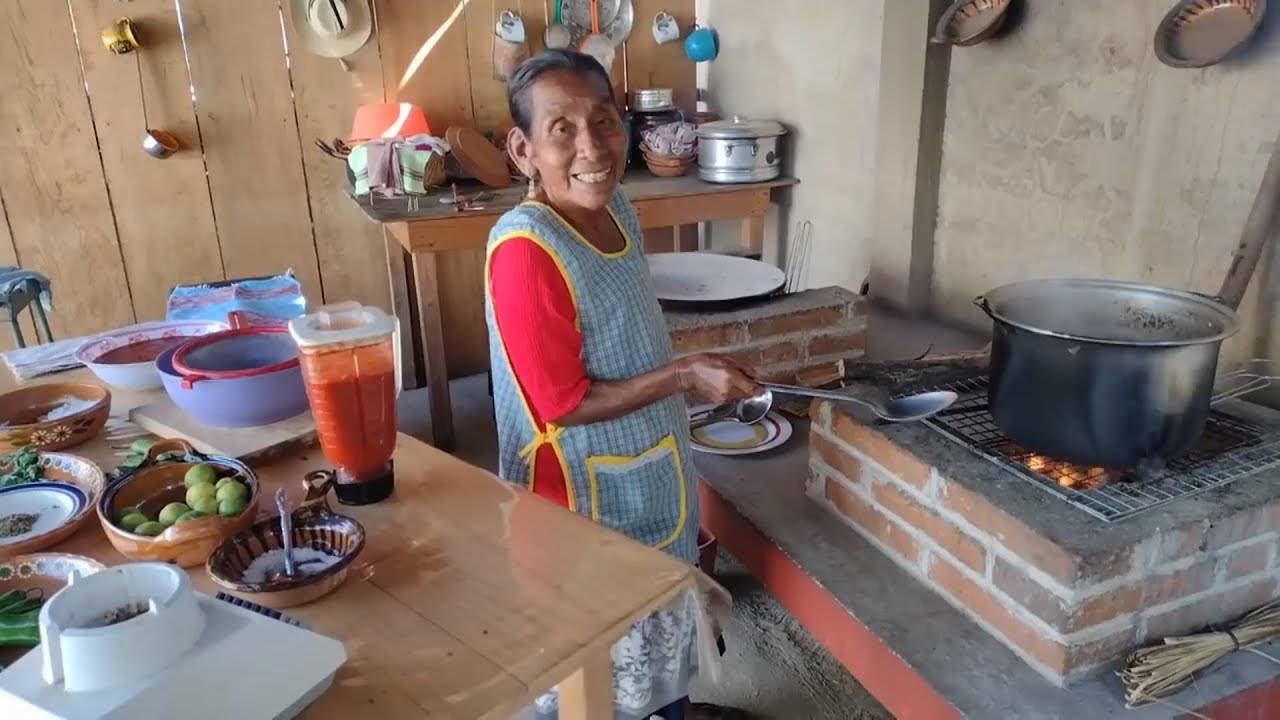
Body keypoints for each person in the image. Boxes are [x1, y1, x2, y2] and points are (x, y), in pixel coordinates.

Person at [485, 49, 761, 720]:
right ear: (523, 150)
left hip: (643, 473)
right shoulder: (527, 250)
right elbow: (561, 402)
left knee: (656, 626)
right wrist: (685, 374)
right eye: (563, 129)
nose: (593, 147)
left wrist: (684, 370)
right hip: (577, 499)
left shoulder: (618, 210)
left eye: (605, 121)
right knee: (598, 663)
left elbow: (625, 327)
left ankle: (671, 707)